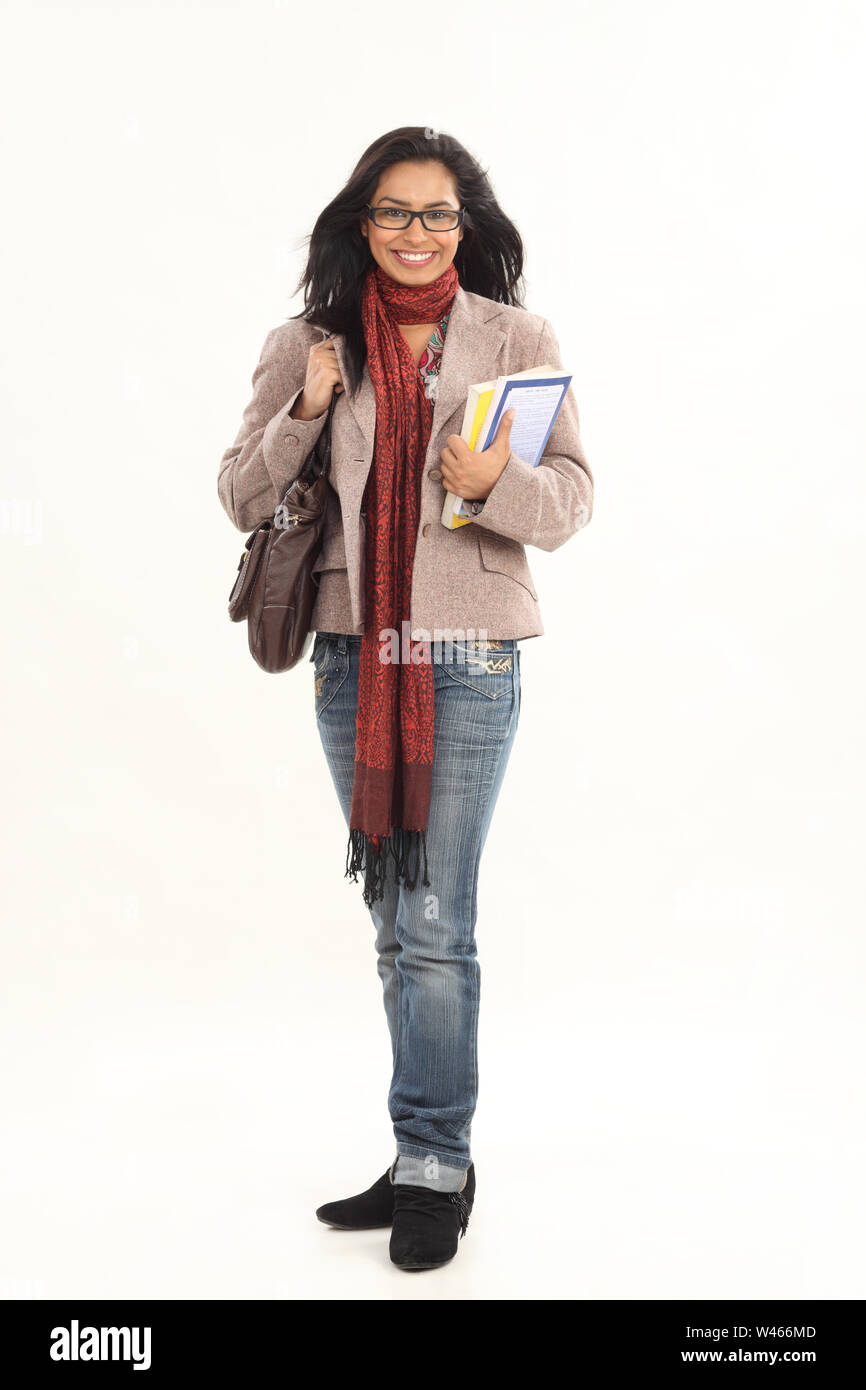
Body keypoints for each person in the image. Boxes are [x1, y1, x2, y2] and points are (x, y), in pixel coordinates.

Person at [217, 126, 594, 1271]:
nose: (418, 235)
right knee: (396, 924)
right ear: (360, 221)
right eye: (395, 213)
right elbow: (239, 493)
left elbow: (571, 500)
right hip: (352, 656)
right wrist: (305, 408)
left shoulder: (515, 336)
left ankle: (434, 1164)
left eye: (438, 215)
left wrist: (498, 483)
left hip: (467, 653)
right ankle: (424, 1151)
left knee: (434, 923)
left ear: (465, 224)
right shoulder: (310, 342)